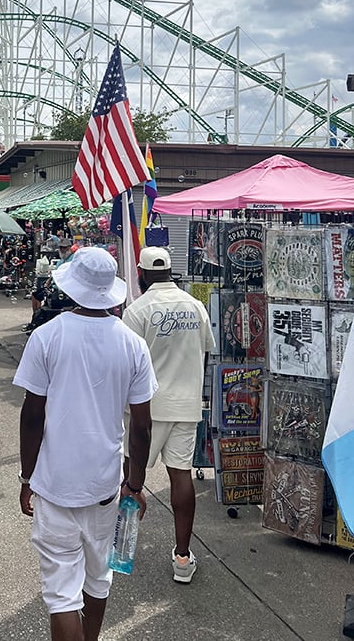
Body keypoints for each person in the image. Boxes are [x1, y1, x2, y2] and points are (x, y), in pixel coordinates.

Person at [13, 246, 157, 641]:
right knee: (98, 579)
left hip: (55, 484)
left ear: (72, 287)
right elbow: (142, 426)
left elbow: (32, 415)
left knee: (62, 595)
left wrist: (27, 477)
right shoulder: (132, 344)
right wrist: (135, 484)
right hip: (105, 485)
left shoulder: (46, 337)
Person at [122, 246, 216, 584]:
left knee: (131, 474)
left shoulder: (137, 310)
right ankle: (182, 557)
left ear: (141, 273)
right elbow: (206, 350)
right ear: (170, 271)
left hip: (146, 408)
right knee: (181, 475)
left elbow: (126, 364)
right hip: (185, 405)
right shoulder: (195, 306)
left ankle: (120, 546)